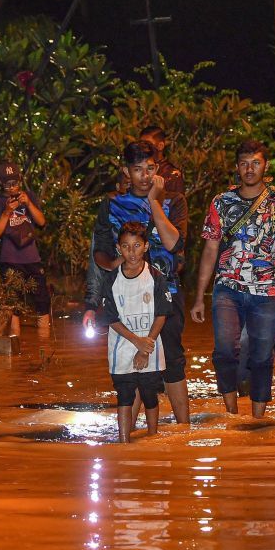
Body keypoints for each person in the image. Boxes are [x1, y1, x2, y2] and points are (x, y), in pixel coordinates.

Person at [190, 139, 275, 418]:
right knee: (225, 352)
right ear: (237, 167)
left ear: (266, 166)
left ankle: (258, 420)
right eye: (245, 163)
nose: (250, 169)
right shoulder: (221, 202)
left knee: (262, 356)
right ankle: (232, 416)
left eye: (256, 163)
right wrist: (199, 296)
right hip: (227, 287)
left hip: (267, 291)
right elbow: (210, 248)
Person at [93, 140, 190, 424]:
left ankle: (184, 431)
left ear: (158, 169)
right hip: (124, 296)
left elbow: (174, 244)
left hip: (166, 291)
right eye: (138, 169)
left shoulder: (174, 201)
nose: (145, 176)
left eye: (150, 168)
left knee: (172, 360)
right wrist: (112, 267)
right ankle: (130, 439)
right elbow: (99, 247)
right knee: (128, 365)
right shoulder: (111, 204)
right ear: (126, 171)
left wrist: (154, 202)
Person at [102, 222, 172, 442]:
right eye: (126, 246)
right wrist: (136, 342)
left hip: (150, 347)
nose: (131, 252)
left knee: (150, 394)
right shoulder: (111, 280)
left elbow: (162, 314)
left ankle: (152, 438)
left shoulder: (156, 277)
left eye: (136, 246)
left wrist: (145, 346)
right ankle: (123, 442)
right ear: (118, 248)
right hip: (121, 349)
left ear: (146, 246)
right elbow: (111, 318)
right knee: (123, 395)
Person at [0, 161, 51, 336]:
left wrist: (28, 204)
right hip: (9, 259)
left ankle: (44, 341)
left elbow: (42, 222)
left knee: (42, 300)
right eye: (7, 184)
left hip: (32, 258)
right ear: (0, 182)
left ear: (20, 180)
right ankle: (15, 346)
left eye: (14, 183)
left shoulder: (29, 196)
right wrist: (7, 211)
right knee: (12, 303)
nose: (12, 187)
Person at [83, 170, 130, 328]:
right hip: (116, 296)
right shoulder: (107, 220)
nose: (130, 189)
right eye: (127, 184)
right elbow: (96, 265)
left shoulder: (151, 213)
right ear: (118, 187)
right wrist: (91, 306)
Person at [140, 125, 185, 194]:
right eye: (141, 144)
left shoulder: (172, 174)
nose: (143, 147)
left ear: (160, 146)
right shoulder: (137, 170)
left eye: (147, 144)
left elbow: (177, 203)